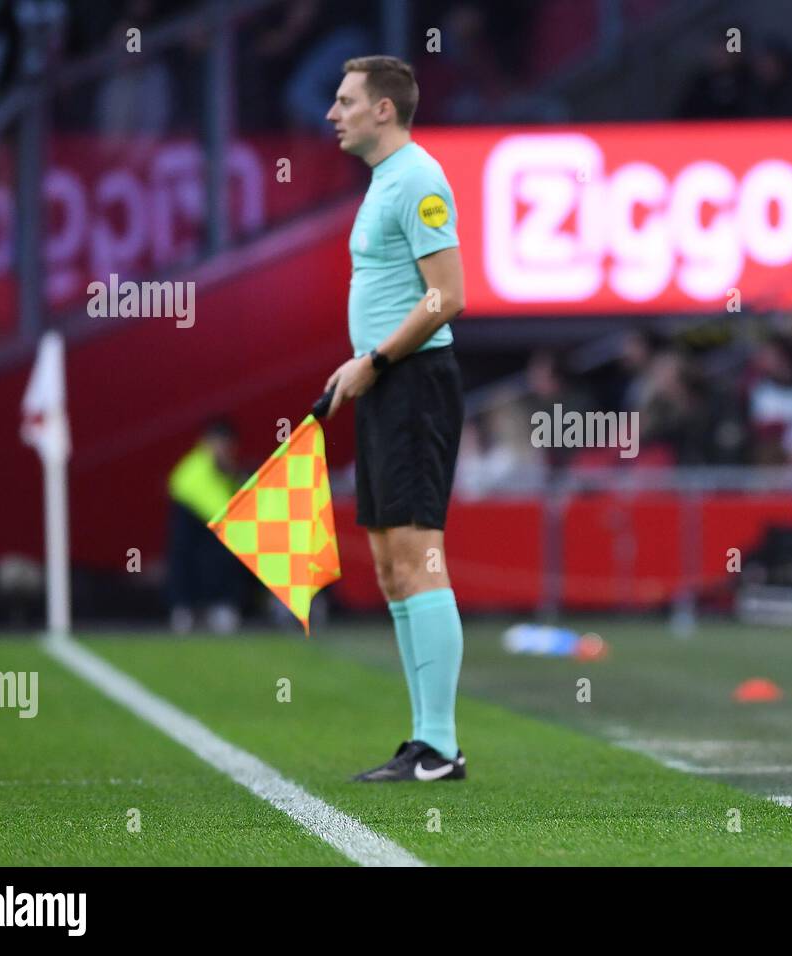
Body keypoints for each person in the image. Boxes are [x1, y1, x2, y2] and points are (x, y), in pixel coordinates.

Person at [322, 55, 468, 783]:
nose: (332, 112)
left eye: (346, 100)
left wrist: (373, 362)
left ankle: (440, 746)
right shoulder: (387, 181)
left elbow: (447, 296)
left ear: (385, 109)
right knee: (387, 564)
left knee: (418, 557)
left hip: (412, 384)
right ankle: (424, 739)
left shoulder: (418, 178)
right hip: (384, 383)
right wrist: (362, 369)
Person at [165, 420, 246, 634]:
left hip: (209, 523)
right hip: (195, 518)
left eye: (227, 445)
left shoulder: (223, 468)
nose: (223, 450)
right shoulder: (197, 467)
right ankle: (186, 608)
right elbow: (221, 509)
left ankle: (219, 605)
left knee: (219, 554)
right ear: (206, 443)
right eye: (218, 444)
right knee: (191, 555)